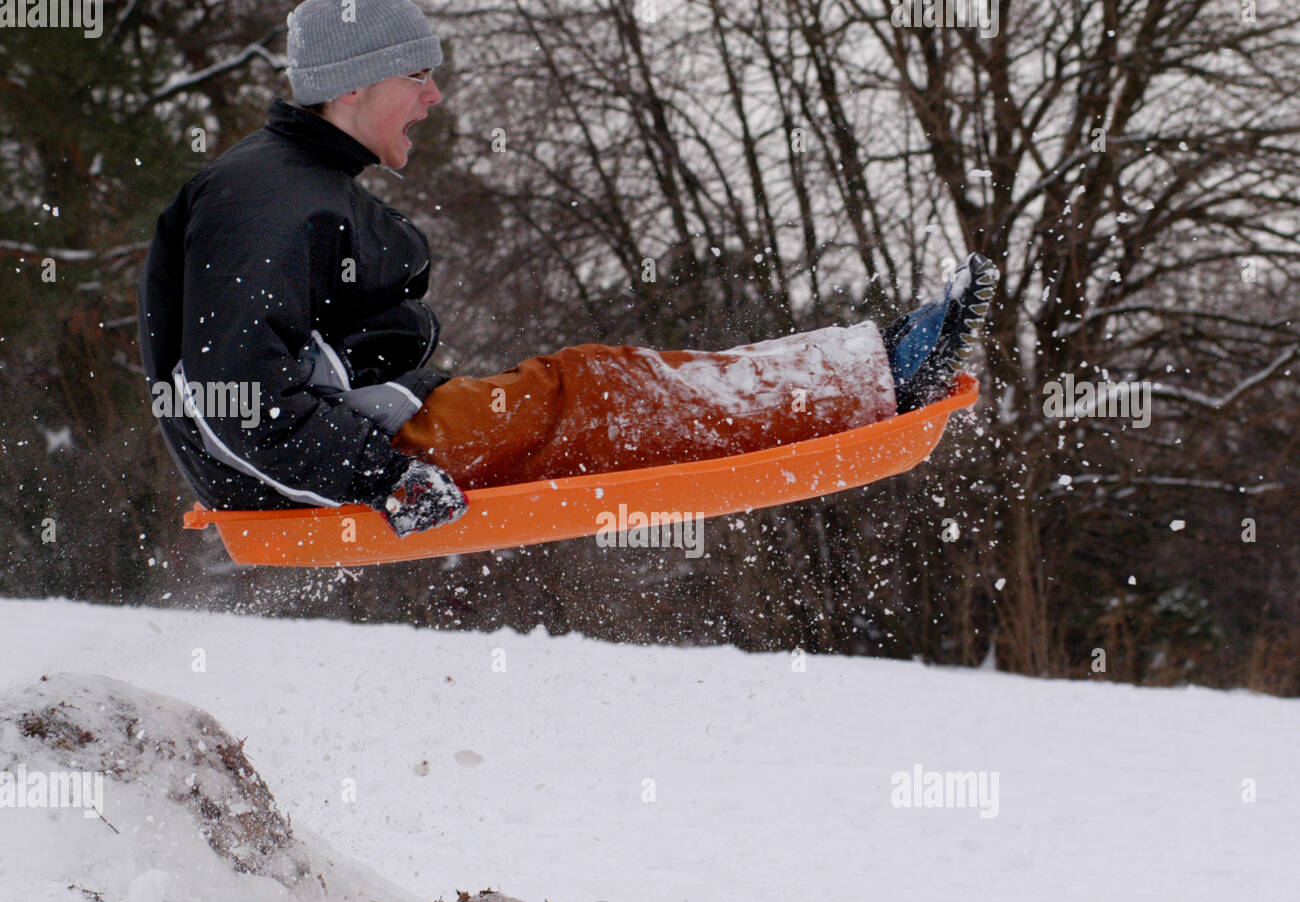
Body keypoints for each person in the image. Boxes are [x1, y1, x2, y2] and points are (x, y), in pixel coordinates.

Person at [138, 0, 996, 539]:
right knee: (590, 396)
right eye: (417, 74)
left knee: (594, 396)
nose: (435, 96)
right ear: (353, 85)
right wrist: (383, 478)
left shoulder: (293, 183)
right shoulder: (263, 194)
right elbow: (231, 392)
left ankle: (867, 371)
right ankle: (877, 374)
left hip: (357, 438)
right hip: (344, 459)